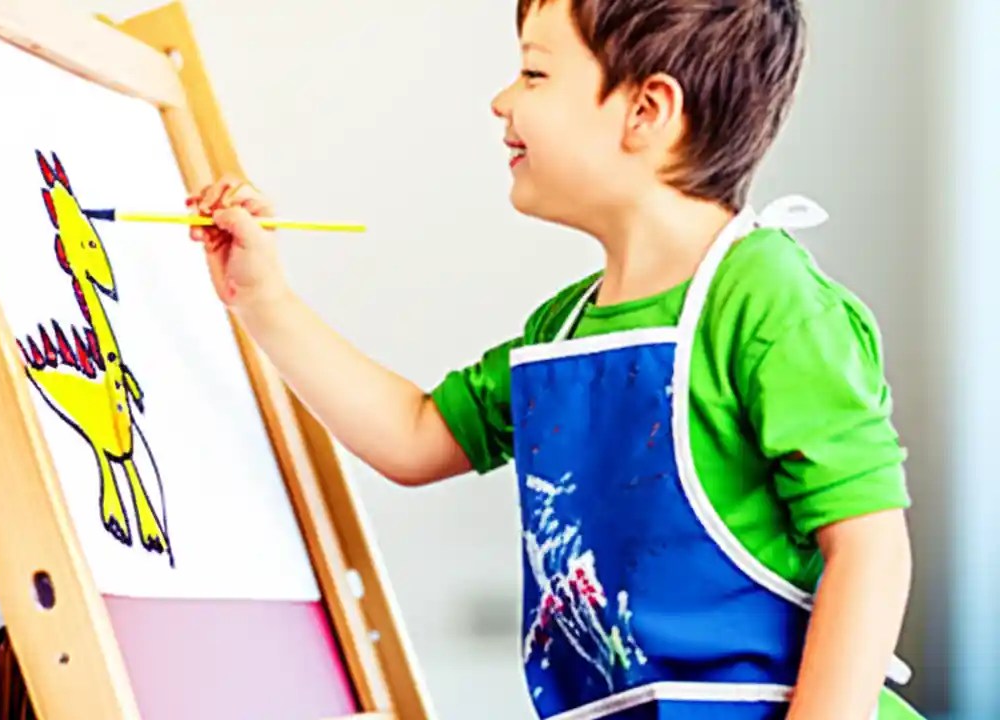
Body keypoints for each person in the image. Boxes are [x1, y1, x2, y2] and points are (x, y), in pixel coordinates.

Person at [185, 0, 923, 717]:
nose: (502, 101)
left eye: (534, 73)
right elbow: (414, 437)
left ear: (647, 111)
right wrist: (264, 300)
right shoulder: (561, 330)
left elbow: (869, 549)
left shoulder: (770, 301)